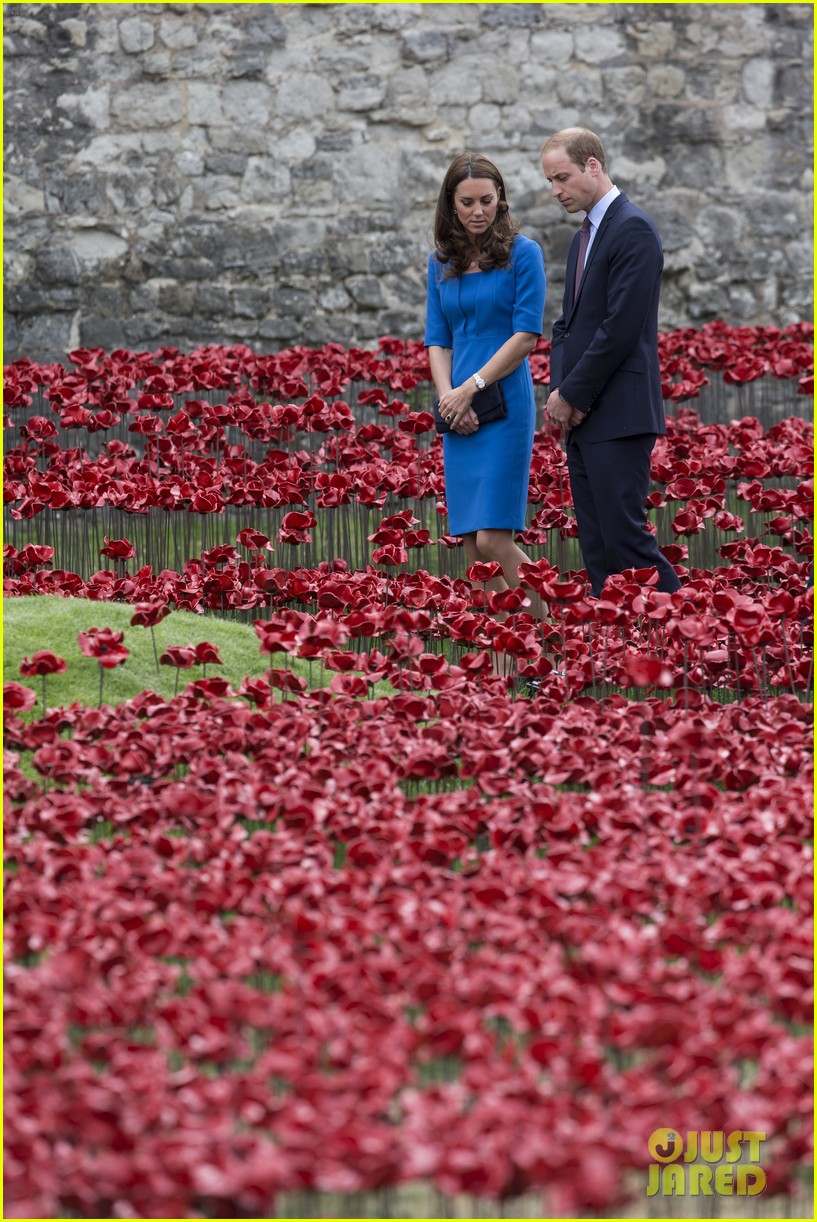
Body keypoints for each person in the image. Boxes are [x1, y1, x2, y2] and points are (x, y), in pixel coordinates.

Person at [540, 127, 682, 598]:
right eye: (550, 181)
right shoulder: (584, 236)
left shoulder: (632, 228)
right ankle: (614, 639)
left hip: (619, 412)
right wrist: (561, 392)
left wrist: (573, 394)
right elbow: (566, 325)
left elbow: (621, 328)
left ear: (593, 165)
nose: (555, 190)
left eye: (562, 177)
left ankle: (691, 631)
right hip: (584, 414)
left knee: (626, 541)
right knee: (598, 547)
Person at [424, 151, 547, 615]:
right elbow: (438, 339)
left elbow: (526, 336)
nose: (478, 211)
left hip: (503, 400)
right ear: (451, 205)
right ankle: (506, 651)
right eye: (467, 202)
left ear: (501, 200)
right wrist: (448, 399)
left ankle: (556, 637)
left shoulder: (524, 254)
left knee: (495, 538)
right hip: (457, 406)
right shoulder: (441, 262)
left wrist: (470, 387)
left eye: (487, 201)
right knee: (473, 546)